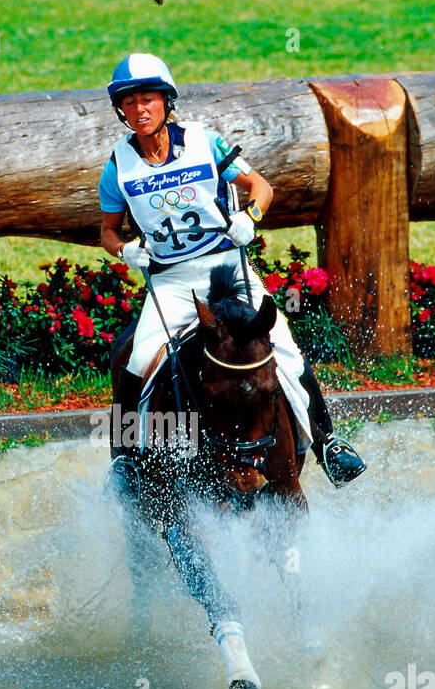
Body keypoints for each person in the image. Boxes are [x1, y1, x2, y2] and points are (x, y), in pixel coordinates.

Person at [98, 53, 366, 487]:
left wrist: (251, 217)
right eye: (129, 103)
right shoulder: (116, 168)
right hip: (170, 280)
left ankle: (329, 443)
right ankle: (127, 459)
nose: (139, 110)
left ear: (167, 102)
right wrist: (125, 249)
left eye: (148, 99)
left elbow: (262, 187)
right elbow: (108, 231)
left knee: (286, 350)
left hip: (226, 266)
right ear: (121, 110)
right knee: (137, 362)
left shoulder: (208, 143)